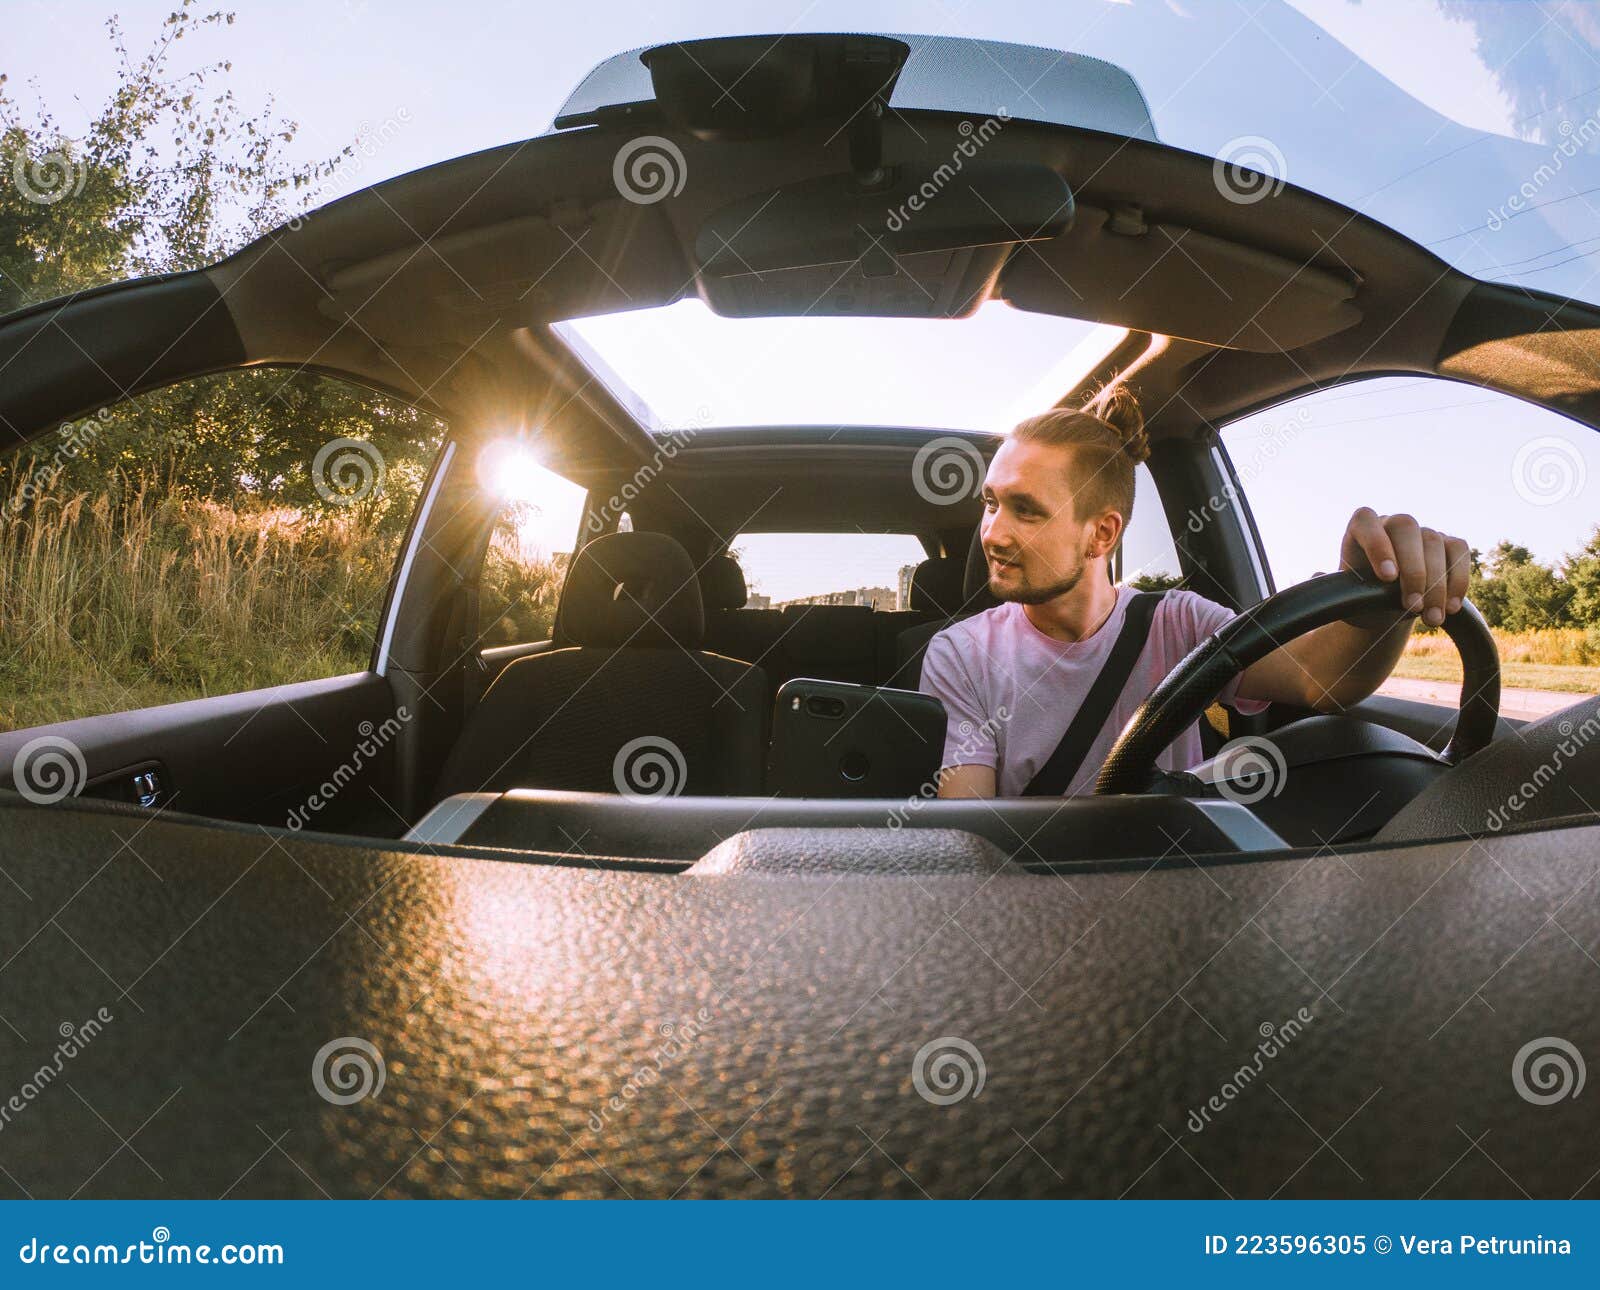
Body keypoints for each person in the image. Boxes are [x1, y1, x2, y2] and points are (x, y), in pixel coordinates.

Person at [920, 387, 1470, 798]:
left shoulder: (1178, 622)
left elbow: (1322, 680)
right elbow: (973, 837)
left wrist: (1380, 600)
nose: (990, 532)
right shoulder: (961, 654)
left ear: (1101, 534)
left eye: (1025, 510)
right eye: (991, 502)